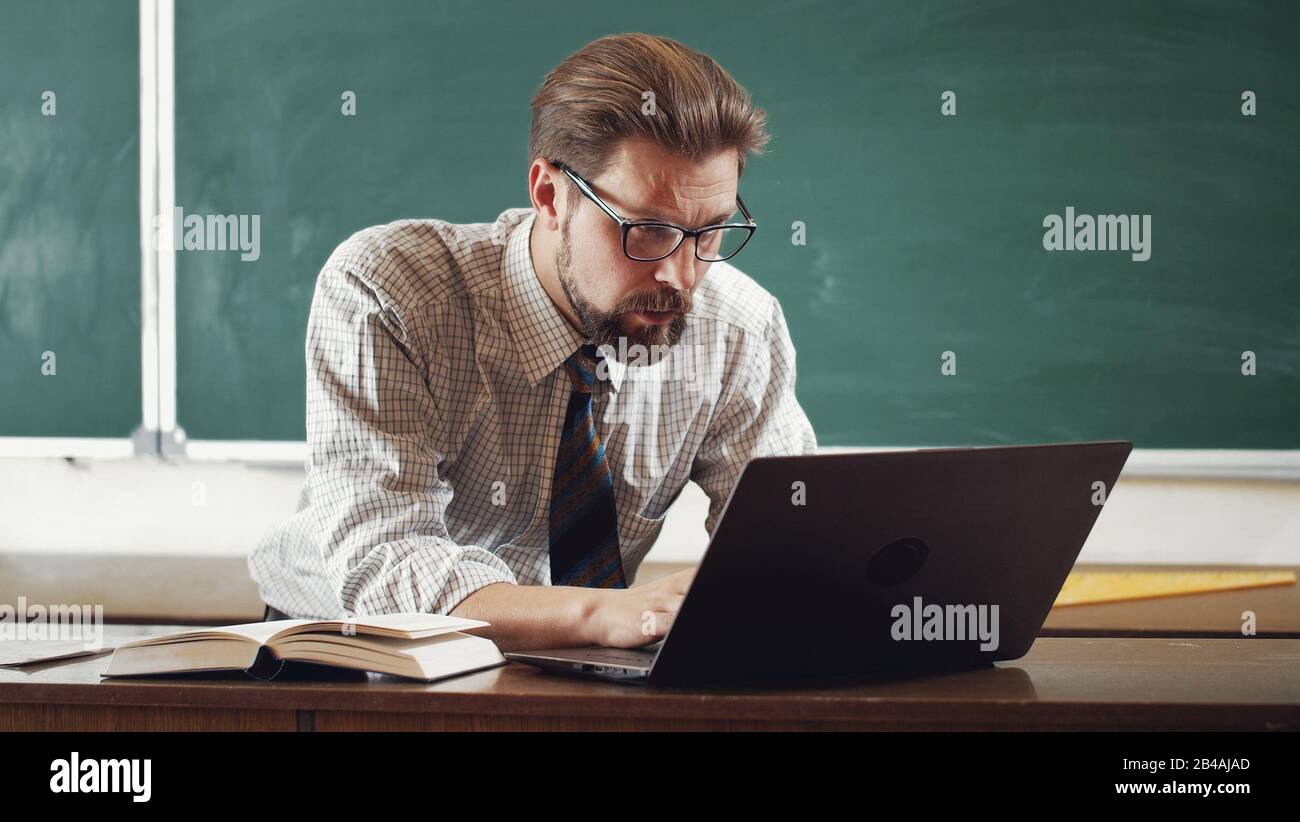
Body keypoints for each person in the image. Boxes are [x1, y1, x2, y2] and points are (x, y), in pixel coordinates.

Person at [249, 33, 816, 652]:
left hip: (581, 657)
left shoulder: (736, 328)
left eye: (709, 233)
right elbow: (386, 561)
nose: (681, 277)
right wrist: (604, 614)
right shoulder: (390, 291)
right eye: (648, 231)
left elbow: (793, 534)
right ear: (550, 195)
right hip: (347, 655)